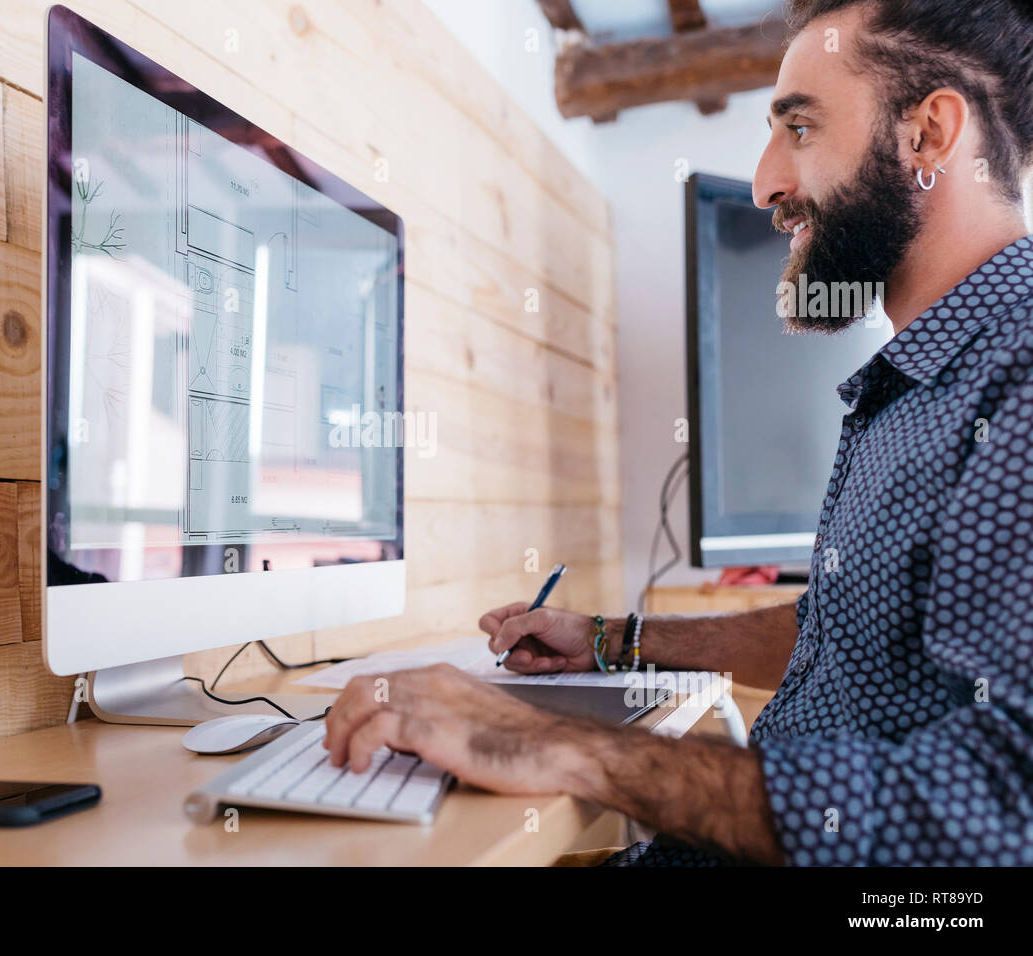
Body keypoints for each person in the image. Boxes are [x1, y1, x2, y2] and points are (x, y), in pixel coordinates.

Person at [322, 0, 1033, 865]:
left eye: (799, 127)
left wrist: (558, 747)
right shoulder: (923, 382)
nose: (768, 181)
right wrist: (612, 641)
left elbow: (1004, 811)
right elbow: (847, 632)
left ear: (928, 136)